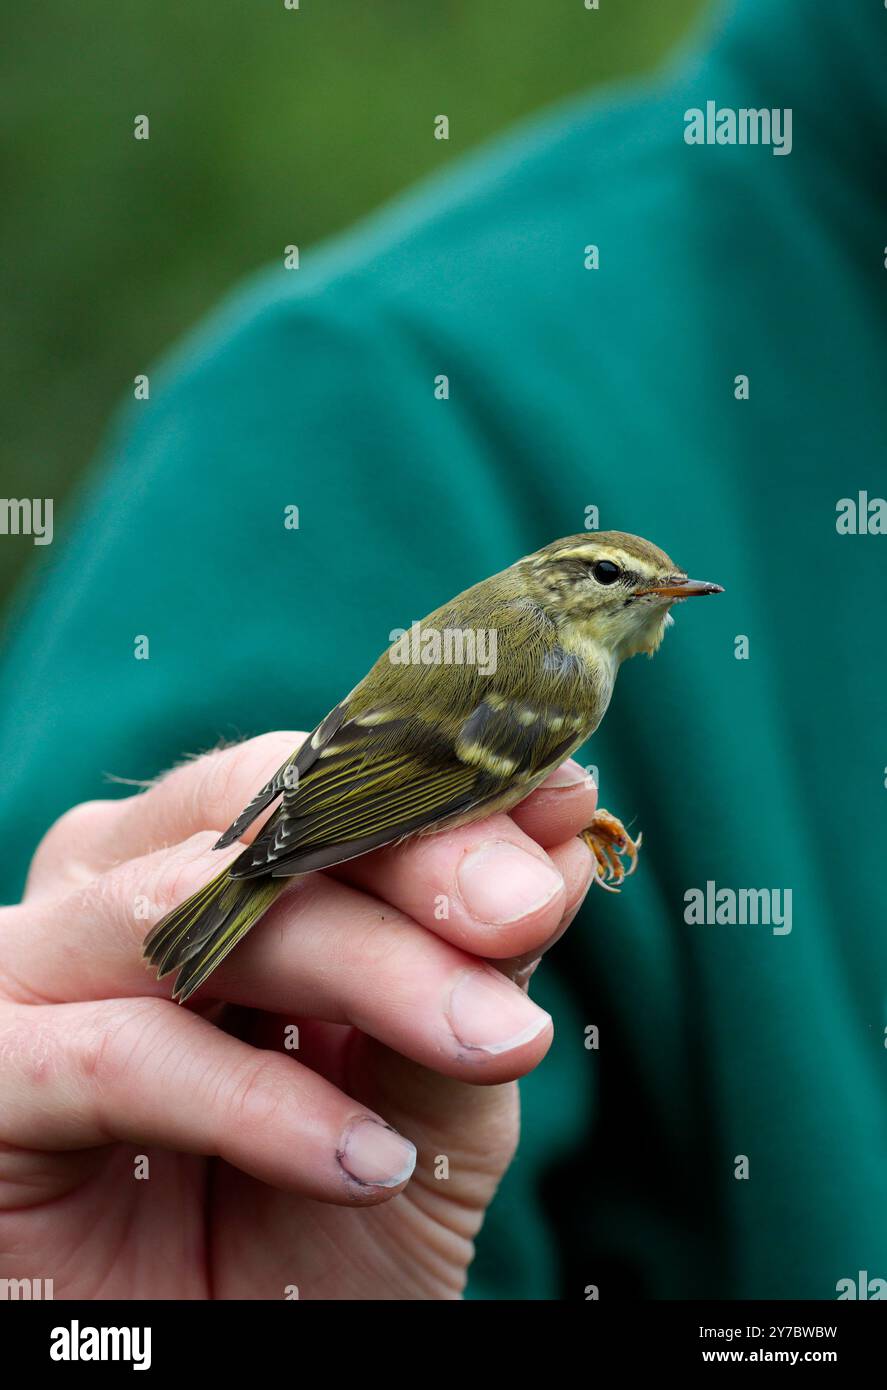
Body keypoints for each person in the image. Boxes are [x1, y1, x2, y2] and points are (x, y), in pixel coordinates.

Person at [0, 0, 884, 1299]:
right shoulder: (383, 410)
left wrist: (291, 829)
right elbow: (435, 775)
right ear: (561, 583)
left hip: (322, 789)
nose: (644, 602)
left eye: (655, 589)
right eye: (611, 578)